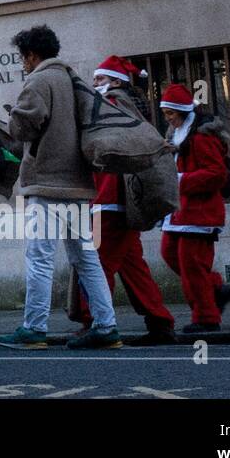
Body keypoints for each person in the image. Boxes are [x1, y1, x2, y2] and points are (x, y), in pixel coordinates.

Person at [0, 25, 122, 350]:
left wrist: (12, 118)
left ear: (32, 54)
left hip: (47, 183)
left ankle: (34, 329)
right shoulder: (71, 79)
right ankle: (107, 326)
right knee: (85, 257)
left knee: (39, 257)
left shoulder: (38, 80)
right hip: (78, 186)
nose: (22, 63)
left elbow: (25, 125)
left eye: (22, 57)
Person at [74, 56, 177, 346]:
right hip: (117, 200)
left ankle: (96, 323)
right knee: (133, 266)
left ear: (115, 82)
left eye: (99, 79)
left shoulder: (112, 106)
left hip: (109, 198)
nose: (94, 84)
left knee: (95, 263)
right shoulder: (127, 106)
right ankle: (160, 322)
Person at [158, 83, 230, 333]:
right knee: (170, 254)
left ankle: (206, 316)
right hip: (181, 211)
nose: (168, 118)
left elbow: (216, 174)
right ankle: (214, 289)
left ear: (182, 111)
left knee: (191, 263)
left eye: (171, 113)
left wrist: (180, 181)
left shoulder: (201, 136)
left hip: (199, 211)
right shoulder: (180, 136)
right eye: (166, 113)